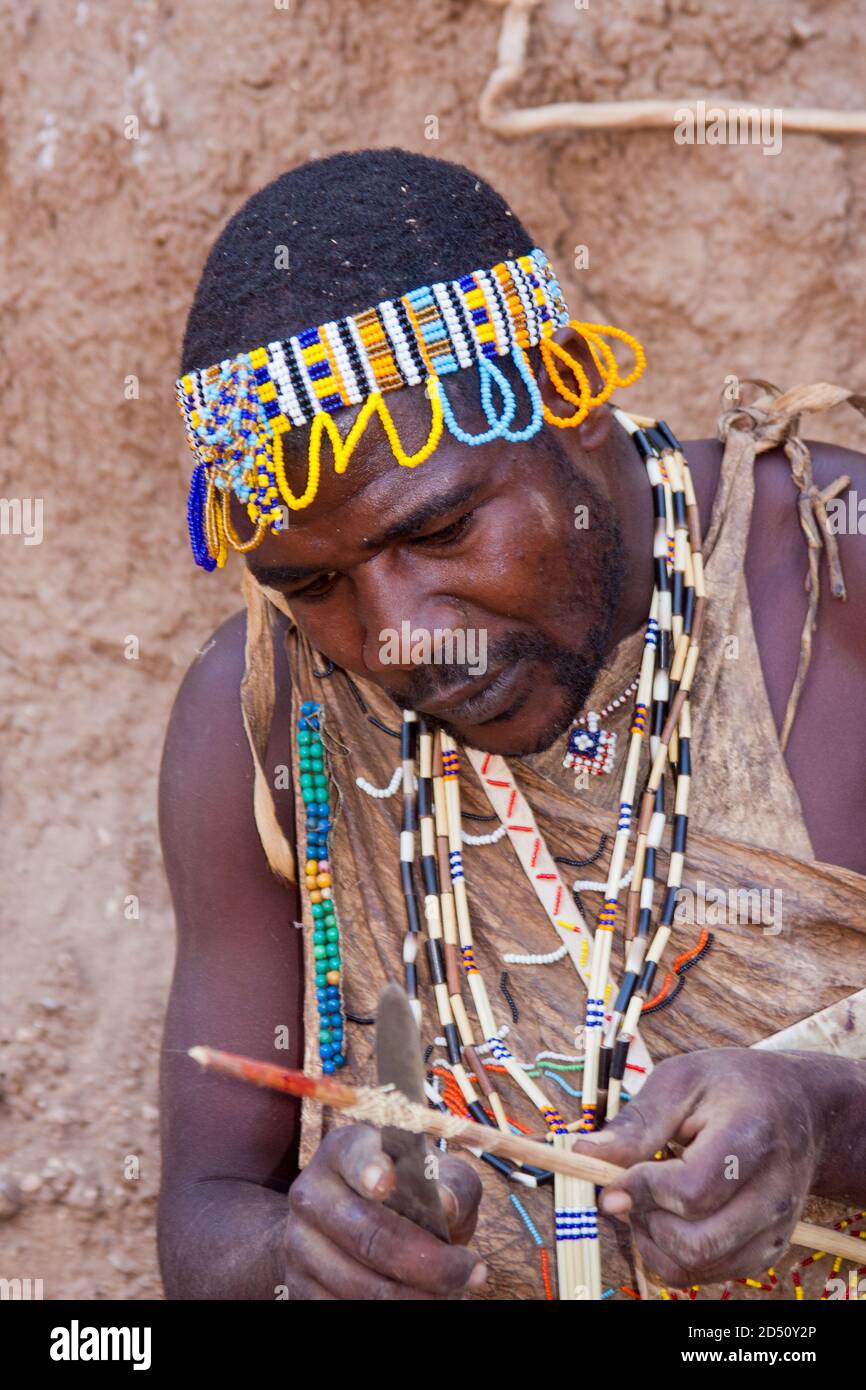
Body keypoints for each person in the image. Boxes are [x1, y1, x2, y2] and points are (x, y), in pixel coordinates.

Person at [158, 148, 866, 1301]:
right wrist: (298, 1252)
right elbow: (202, 1218)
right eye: (315, 585)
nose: (396, 641)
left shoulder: (835, 588)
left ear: (573, 399)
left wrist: (823, 1120)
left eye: (436, 535)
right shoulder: (262, 716)